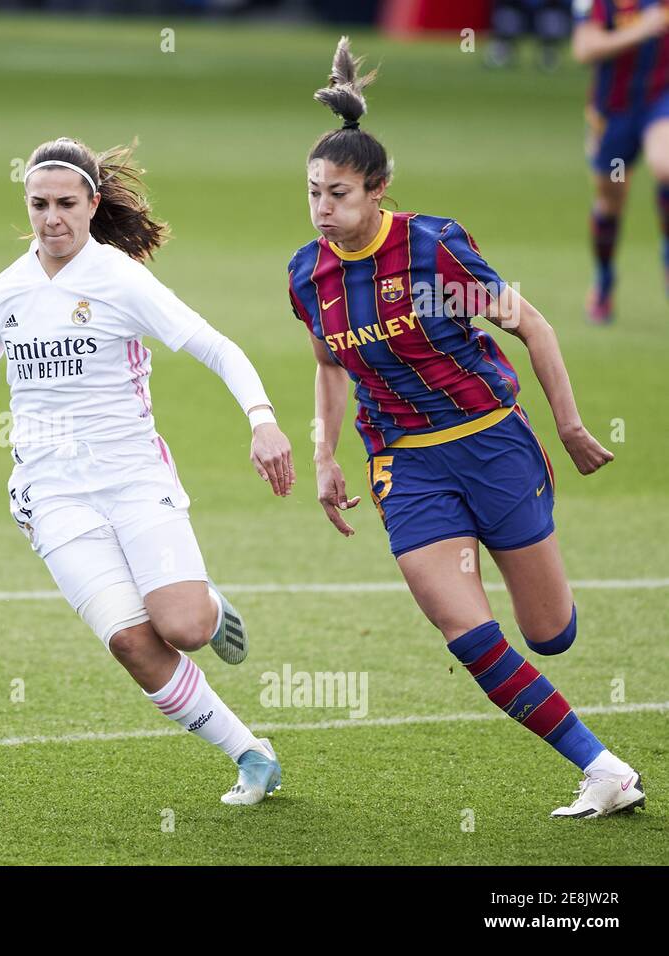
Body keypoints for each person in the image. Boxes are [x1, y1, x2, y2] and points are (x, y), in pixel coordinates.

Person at [289, 37, 645, 818]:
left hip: (491, 441)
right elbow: (330, 365)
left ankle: (519, 560)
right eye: (314, 192)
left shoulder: (432, 248)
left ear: (378, 191)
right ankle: (603, 768)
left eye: (339, 193)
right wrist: (325, 454)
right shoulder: (307, 275)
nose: (323, 209)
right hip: (406, 465)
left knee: (549, 635)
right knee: (463, 626)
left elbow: (534, 327)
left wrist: (572, 427)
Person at [0, 137, 295, 805]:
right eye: (38, 204)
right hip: (52, 494)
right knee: (132, 643)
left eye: (67, 203)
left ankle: (209, 611)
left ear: (94, 204)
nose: (52, 219)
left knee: (180, 627)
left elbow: (214, 345)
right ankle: (249, 753)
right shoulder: (2, 295)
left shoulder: (121, 280)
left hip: (134, 479)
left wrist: (261, 417)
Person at [572, 0, 669, 323]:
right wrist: (642, 29)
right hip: (613, 111)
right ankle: (604, 279)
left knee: (664, 165)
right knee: (610, 202)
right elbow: (584, 49)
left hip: (660, 100)